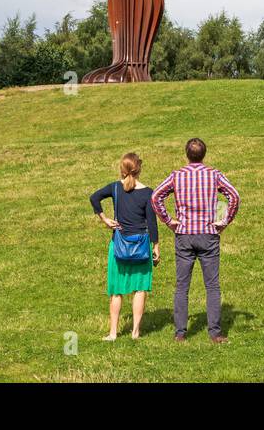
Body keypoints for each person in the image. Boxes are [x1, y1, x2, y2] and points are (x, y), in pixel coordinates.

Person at [151, 137, 240, 343]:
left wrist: (169, 221)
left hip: (184, 234)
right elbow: (234, 196)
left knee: (182, 285)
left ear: (187, 154)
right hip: (208, 234)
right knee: (212, 286)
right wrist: (225, 221)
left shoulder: (177, 176)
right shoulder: (214, 175)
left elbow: (156, 196)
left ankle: (180, 333)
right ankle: (215, 332)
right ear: (204, 154)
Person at [89, 153, 160, 341]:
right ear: (139, 169)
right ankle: (135, 332)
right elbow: (152, 222)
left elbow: (94, 198)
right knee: (140, 289)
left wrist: (104, 219)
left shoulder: (115, 188)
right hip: (141, 247)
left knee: (116, 290)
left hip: (118, 245)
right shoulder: (148, 192)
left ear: (122, 169)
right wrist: (156, 246)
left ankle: (113, 333)